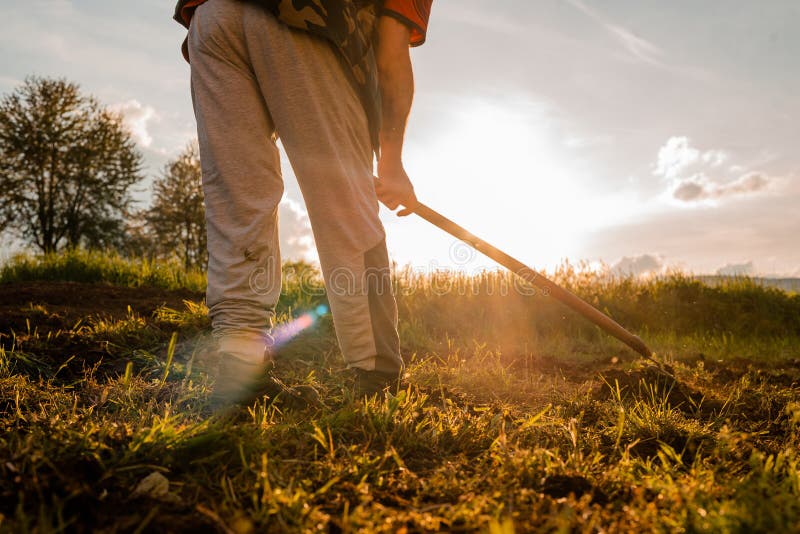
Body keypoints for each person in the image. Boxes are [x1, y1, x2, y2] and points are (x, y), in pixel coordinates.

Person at [172, 0, 432, 403]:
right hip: (309, 16)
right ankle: (377, 374)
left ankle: (241, 364)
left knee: (237, 197)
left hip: (213, 17)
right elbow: (392, 48)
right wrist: (392, 162)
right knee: (344, 203)